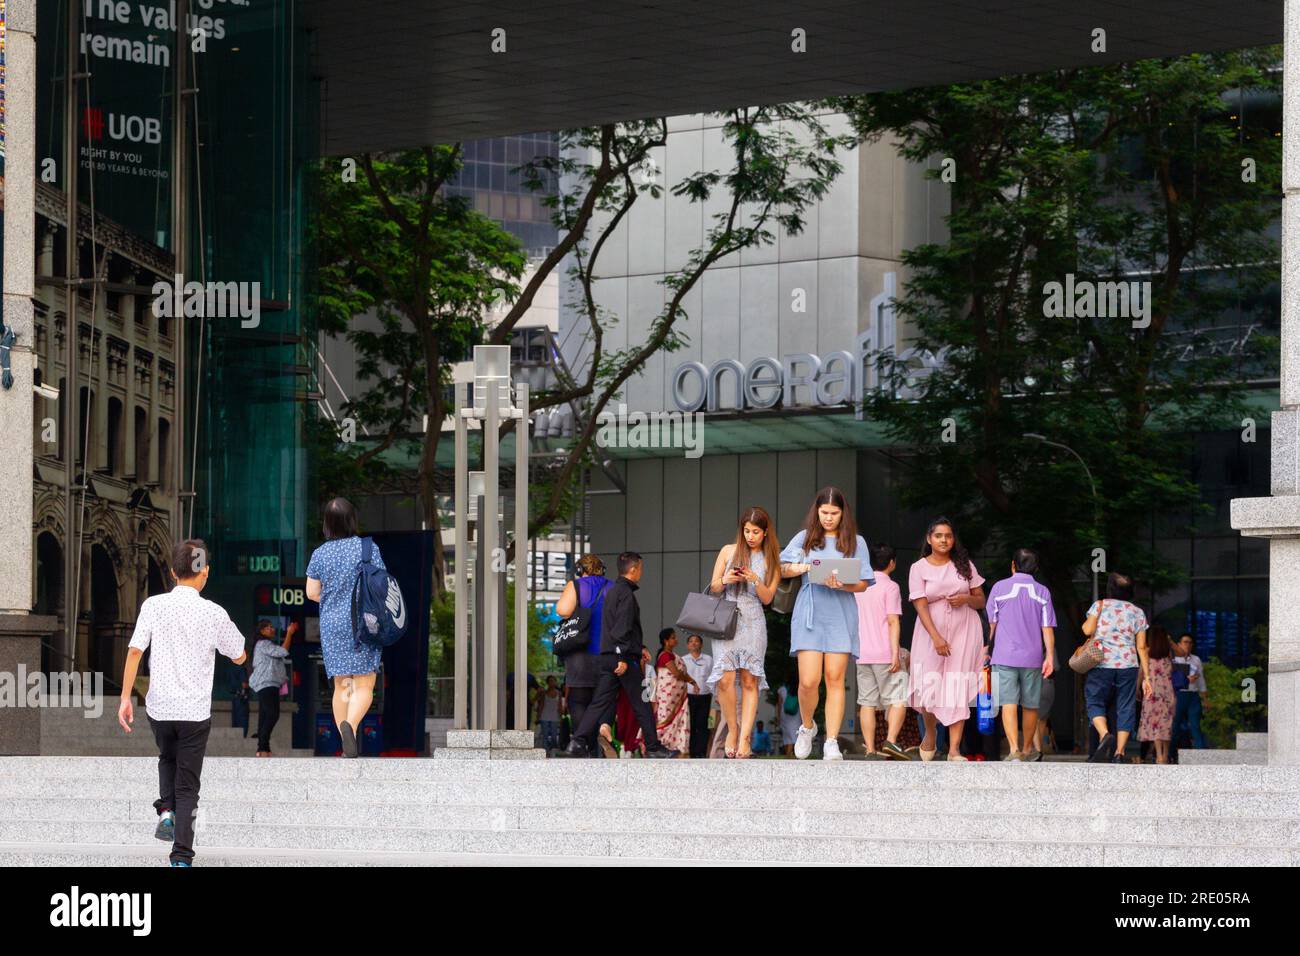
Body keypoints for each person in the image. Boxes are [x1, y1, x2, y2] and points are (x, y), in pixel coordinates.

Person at [117, 539, 247, 867]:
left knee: (166, 757)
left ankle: (165, 811)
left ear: (174, 571)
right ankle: (181, 857)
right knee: (188, 785)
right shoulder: (214, 613)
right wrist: (237, 653)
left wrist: (124, 698)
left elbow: (135, 651)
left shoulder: (153, 606)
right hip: (194, 712)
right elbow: (239, 654)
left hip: (160, 707)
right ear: (204, 572)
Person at [779, 487, 873, 761]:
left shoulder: (856, 542)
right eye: (824, 513)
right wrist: (801, 568)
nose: (828, 518)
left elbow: (864, 583)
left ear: (843, 513)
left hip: (840, 611)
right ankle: (807, 726)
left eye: (834, 513)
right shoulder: (805, 538)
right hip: (810, 609)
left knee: (835, 678)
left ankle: (831, 740)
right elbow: (783, 567)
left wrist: (843, 583)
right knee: (808, 681)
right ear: (816, 512)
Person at [563, 552, 679, 758]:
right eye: (641, 569)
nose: (641, 573)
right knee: (642, 703)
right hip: (622, 660)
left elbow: (615, 629)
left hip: (609, 656)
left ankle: (577, 742)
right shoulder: (625, 594)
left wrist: (636, 647)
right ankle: (653, 748)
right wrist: (622, 657)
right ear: (633, 569)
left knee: (599, 702)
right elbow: (621, 628)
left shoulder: (614, 592)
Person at [305, 497, 384, 758]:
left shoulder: (320, 553)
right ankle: (351, 724)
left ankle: (343, 736)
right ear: (353, 520)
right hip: (363, 624)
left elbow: (311, 592)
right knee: (364, 684)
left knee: (342, 685)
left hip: (332, 626)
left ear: (327, 524)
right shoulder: (367, 548)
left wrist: (332, 596)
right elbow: (381, 584)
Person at [906, 517, 986, 761]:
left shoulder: (964, 565)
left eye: (948, 536)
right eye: (939, 535)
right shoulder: (918, 568)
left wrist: (966, 600)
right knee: (929, 684)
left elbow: (981, 599)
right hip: (930, 630)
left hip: (965, 630)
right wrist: (936, 638)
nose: (944, 540)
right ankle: (930, 732)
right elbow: (920, 605)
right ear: (929, 539)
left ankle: (953, 750)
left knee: (957, 684)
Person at [708, 506, 780, 758]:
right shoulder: (728, 551)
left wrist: (754, 579)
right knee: (725, 680)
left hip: (753, 621)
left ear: (765, 532)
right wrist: (726, 580)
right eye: (747, 531)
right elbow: (714, 586)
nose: (750, 536)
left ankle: (746, 738)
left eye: (756, 532)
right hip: (726, 618)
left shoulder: (772, 557)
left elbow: (769, 597)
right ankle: (732, 729)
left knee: (750, 680)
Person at [985, 548, 1056, 761]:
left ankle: (1013, 749)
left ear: (1013, 565)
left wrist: (986, 650)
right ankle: (1027, 749)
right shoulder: (1042, 592)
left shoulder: (999, 588)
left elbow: (991, 624)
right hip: (1033, 658)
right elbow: (1047, 628)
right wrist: (1049, 656)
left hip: (1004, 656)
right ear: (1035, 568)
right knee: (1030, 704)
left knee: (1007, 702)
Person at [1081, 572, 1149, 763]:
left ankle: (1104, 735)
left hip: (1102, 662)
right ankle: (1119, 753)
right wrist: (1147, 678)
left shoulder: (1100, 605)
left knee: (1094, 700)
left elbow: (1087, 630)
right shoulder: (1137, 612)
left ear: (1111, 589)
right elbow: (1142, 647)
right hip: (1129, 665)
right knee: (1125, 707)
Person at [554, 554, 613, 755]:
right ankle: (601, 734)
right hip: (607, 654)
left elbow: (563, 610)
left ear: (580, 571)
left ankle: (582, 745)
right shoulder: (613, 587)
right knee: (602, 700)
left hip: (581, 655)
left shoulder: (577, 585)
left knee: (578, 701)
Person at [854, 543, 909, 759]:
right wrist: (895, 653)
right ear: (892, 563)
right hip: (884, 653)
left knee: (867, 702)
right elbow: (893, 621)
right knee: (898, 699)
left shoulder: (860, 586)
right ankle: (891, 741)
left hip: (862, 654)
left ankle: (870, 749)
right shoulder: (891, 587)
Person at [249, 618, 296, 757]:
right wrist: (289, 634)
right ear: (262, 631)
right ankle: (263, 746)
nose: (272, 629)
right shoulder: (264, 643)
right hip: (267, 683)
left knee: (264, 715)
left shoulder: (263, 644)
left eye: (271, 626)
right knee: (272, 714)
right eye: (268, 627)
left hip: (267, 683)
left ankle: (263, 749)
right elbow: (283, 651)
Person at [1138, 625, 1176, 763]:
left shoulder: (1147, 653)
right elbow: (1182, 653)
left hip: (1152, 693)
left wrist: (1137, 689)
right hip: (1167, 693)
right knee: (1166, 724)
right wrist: (1171, 642)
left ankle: (1159, 754)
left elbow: (1141, 673)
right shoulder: (1168, 655)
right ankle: (1164, 755)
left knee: (1155, 724)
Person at [654, 628, 694, 754]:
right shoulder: (665, 655)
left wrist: (690, 680)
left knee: (676, 720)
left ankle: (673, 746)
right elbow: (676, 674)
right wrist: (692, 681)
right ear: (666, 641)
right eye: (673, 637)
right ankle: (658, 745)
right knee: (664, 719)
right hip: (667, 695)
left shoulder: (673, 656)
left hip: (676, 696)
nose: (676, 640)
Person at [1172, 634, 1208, 750]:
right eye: (1185, 642)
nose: (1188, 645)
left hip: (1193, 695)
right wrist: (1186, 679)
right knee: (1175, 726)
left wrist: (1205, 699)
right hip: (1178, 695)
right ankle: (1170, 755)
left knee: (1195, 725)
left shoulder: (1196, 659)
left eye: (1190, 642)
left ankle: (1200, 753)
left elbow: (1201, 680)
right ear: (1179, 644)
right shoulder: (1173, 659)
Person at [681, 635, 713, 758]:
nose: (694, 643)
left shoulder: (708, 659)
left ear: (701, 644)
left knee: (703, 725)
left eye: (696, 641)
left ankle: (701, 753)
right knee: (690, 725)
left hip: (705, 696)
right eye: (691, 642)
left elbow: (713, 678)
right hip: (688, 697)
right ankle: (690, 751)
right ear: (687, 645)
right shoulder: (683, 660)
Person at [537, 675, 563, 751]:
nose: (552, 683)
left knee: (554, 736)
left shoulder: (559, 693)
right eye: (550, 681)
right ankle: (545, 751)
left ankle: (553, 751)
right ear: (547, 683)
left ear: (555, 682)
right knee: (545, 735)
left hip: (555, 717)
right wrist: (538, 716)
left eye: (553, 681)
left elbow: (560, 705)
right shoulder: (544, 693)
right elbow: (541, 705)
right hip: (544, 716)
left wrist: (561, 716)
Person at [778, 679, 801, 756]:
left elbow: (779, 704)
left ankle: (788, 754)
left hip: (784, 715)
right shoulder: (800, 689)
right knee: (795, 735)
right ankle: (793, 754)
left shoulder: (782, 690)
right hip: (796, 716)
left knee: (787, 736)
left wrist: (779, 717)